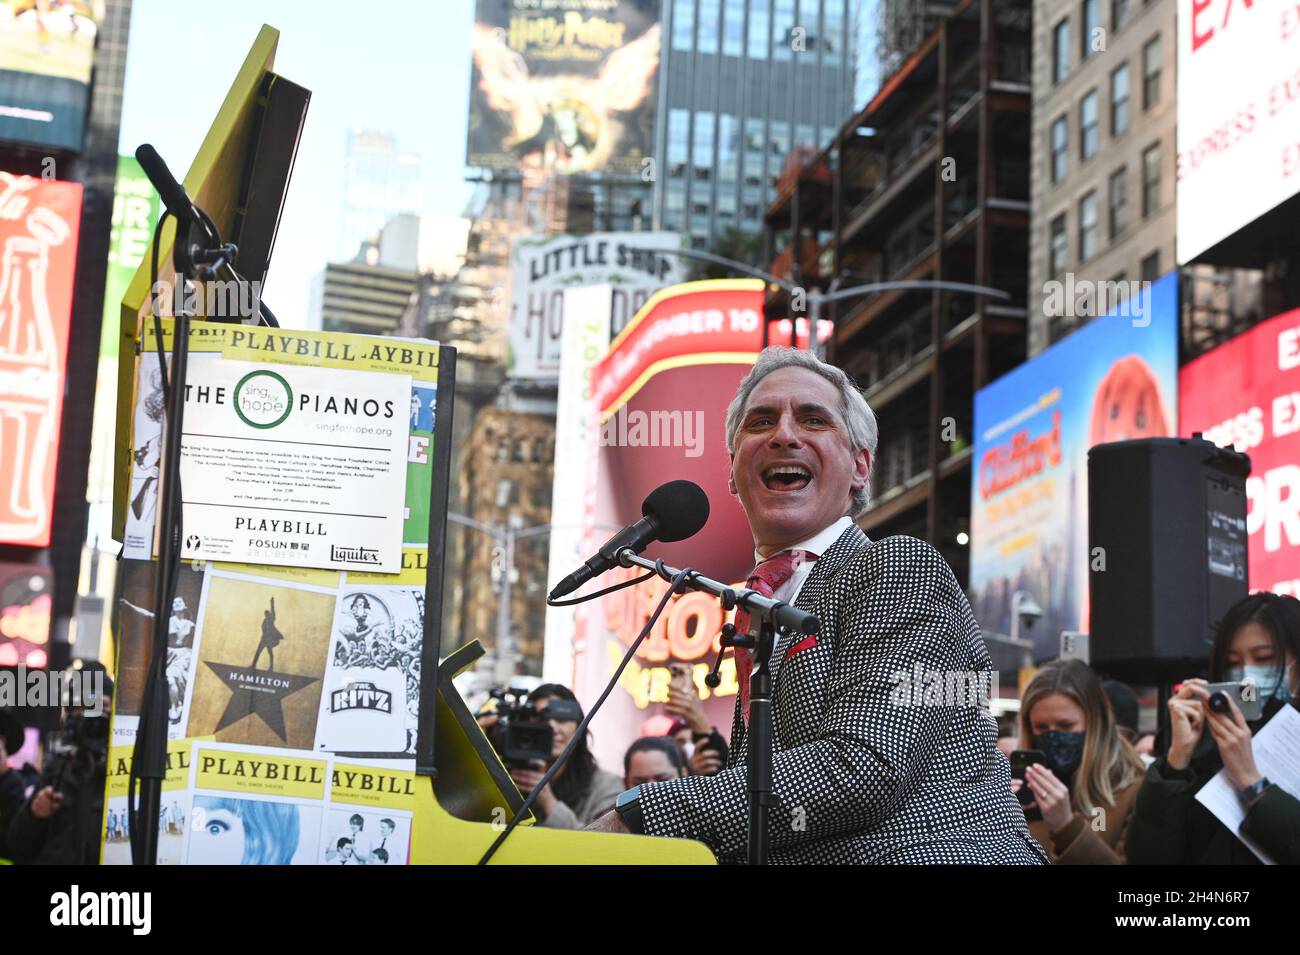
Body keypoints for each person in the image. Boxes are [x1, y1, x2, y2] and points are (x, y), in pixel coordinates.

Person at [587, 347, 1045, 863]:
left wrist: (639, 813)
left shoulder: (898, 567)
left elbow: (865, 768)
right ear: (733, 473)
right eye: (761, 421)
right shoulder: (758, 607)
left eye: (813, 419)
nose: (784, 434)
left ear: (860, 465)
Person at [1126, 592, 1300, 865]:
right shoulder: (1207, 744)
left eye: (1264, 658)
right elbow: (1146, 857)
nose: (1246, 674)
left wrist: (1253, 784)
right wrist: (1175, 764)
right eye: (1233, 662)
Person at [1015, 660, 1146, 864]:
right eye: (1041, 727)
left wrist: (1066, 827)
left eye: (1065, 725)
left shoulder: (1133, 786)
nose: (1053, 736)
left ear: (1095, 722)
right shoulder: (1019, 784)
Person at [496, 684, 622, 829]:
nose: (552, 728)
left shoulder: (605, 786)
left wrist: (549, 803)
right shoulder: (504, 774)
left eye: (562, 719)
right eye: (541, 719)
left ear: (579, 727)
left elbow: (603, 846)